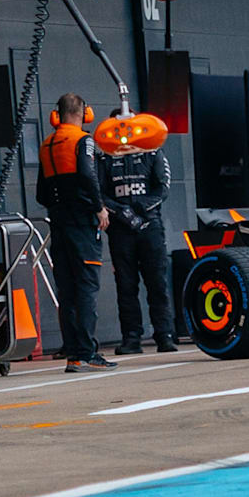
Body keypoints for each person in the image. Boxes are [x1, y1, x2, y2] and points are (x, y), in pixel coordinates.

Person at [37, 93, 116, 372]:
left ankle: (73, 353)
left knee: (67, 290)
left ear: (56, 114)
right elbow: (87, 174)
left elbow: (40, 193)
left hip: (58, 223)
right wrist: (98, 207)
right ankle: (87, 352)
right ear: (84, 112)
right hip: (82, 224)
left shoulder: (46, 144)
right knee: (86, 288)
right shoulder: (85, 141)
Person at [99, 109, 177, 354]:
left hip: (149, 226)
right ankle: (131, 338)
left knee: (157, 282)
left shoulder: (152, 152)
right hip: (121, 230)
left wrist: (139, 208)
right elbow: (98, 192)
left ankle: (164, 335)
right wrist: (120, 212)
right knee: (126, 284)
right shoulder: (104, 158)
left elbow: (162, 188)